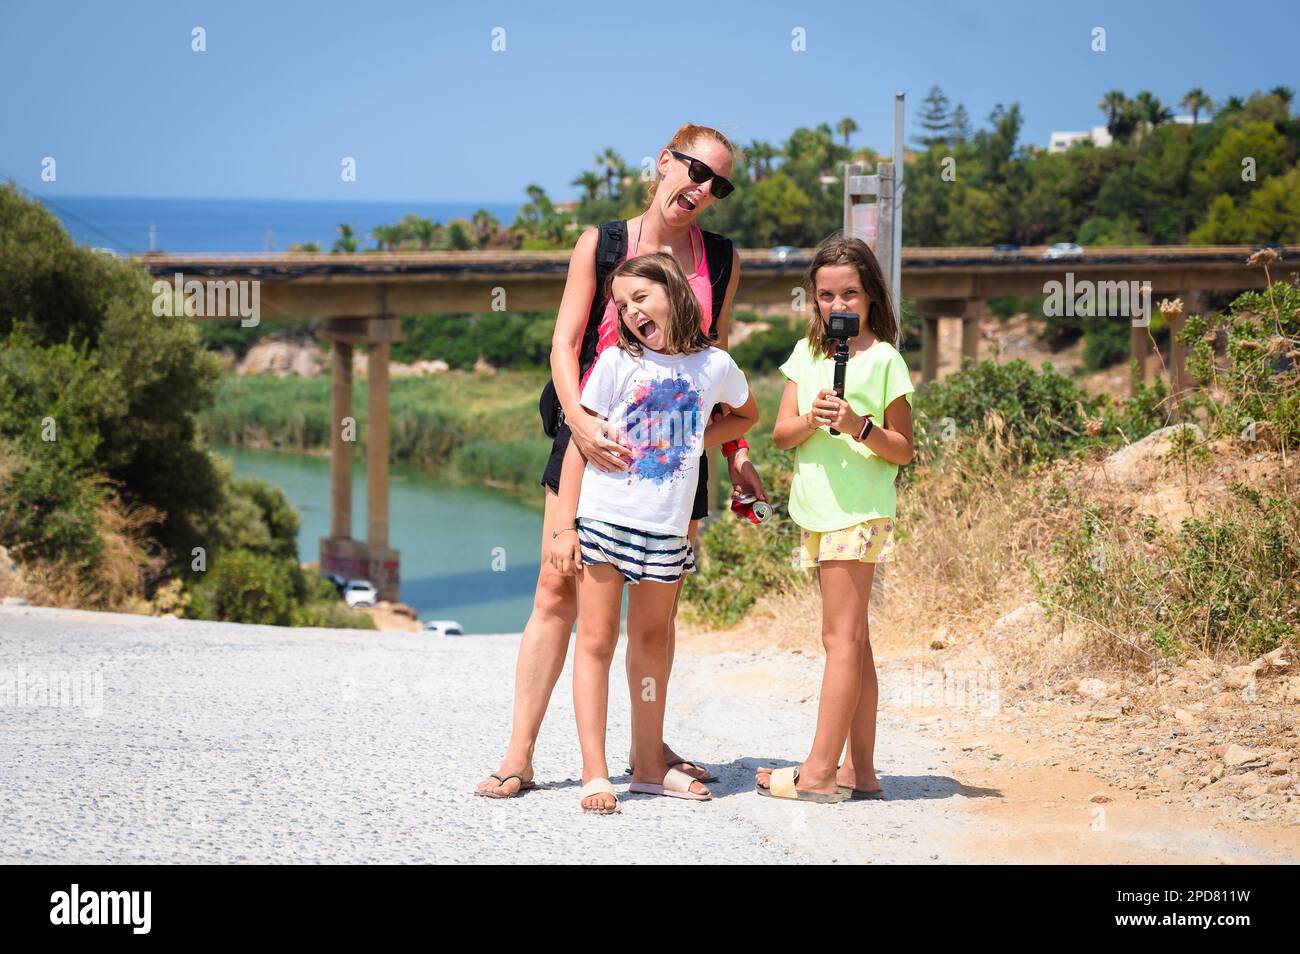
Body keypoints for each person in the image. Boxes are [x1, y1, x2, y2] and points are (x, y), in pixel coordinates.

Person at [477, 124, 768, 798]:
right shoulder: (603, 244)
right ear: (664, 162)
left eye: (717, 185)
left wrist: (738, 451)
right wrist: (578, 419)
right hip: (590, 432)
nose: (702, 190)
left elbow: (714, 369)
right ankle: (520, 755)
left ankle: (645, 753)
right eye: (695, 172)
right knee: (556, 589)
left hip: (674, 458)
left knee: (655, 618)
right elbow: (565, 341)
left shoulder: (720, 258)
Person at [547, 252, 758, 812]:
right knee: (595, 642)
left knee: (650, 643)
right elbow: (577, 443)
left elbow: (745, 415)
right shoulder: (617, 362)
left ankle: (646, 767)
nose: (630, 311)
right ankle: (596, 772)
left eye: (640, 297)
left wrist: (691, 440)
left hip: (667, 530)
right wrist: (564, 527)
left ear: (674, 292)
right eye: (621, 304)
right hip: (603, 520)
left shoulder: (715, 366)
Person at [755, 235, 914, 803]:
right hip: (818, 509)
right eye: (826, 295)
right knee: (856, 642)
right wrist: (814, 416)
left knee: (838, 639)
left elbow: (903, 449)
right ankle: (860, 772)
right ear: (814, 299)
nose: (838, 305)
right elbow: (781, 434)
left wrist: (857, 425)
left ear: (871, 294)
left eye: (850, 293)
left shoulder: (885, 359)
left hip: (861, 511)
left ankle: (819, 773)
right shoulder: (808, 354)